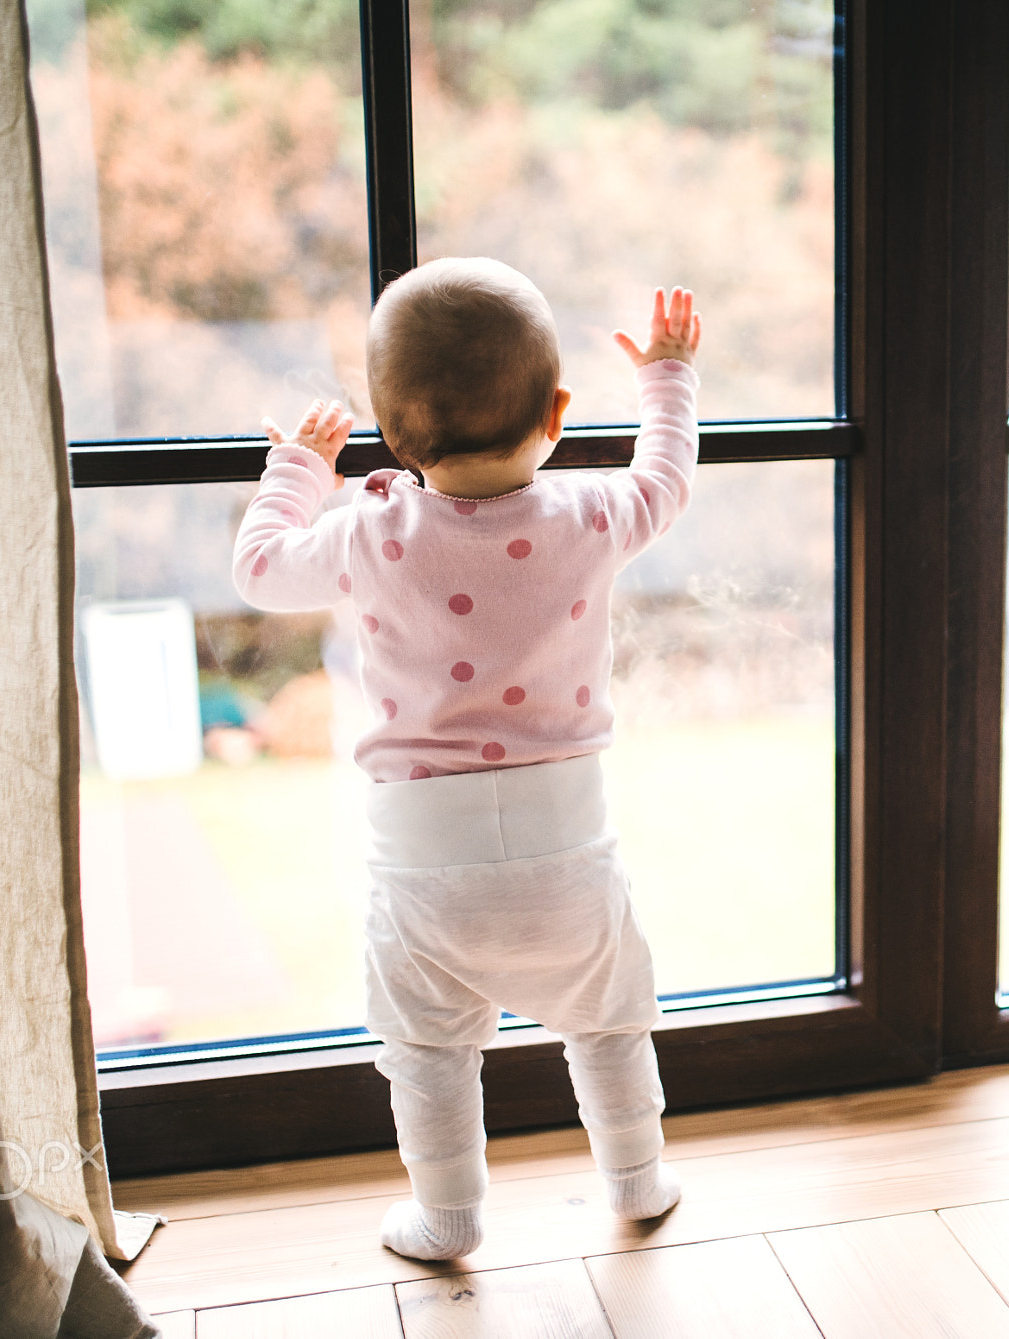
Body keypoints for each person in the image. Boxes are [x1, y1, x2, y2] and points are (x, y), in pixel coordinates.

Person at [232, 259, 701, 1260]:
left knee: (429, 1049)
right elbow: (665, 479)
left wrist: (301, 470)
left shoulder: (371, 531)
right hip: (569, 844)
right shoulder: (587, 515)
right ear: (558, 413)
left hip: (423, 861)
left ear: (392, 438)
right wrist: (665, 376)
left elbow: (260, 568)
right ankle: (637, 1180)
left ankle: (445, 1216)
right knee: (609, 1024)